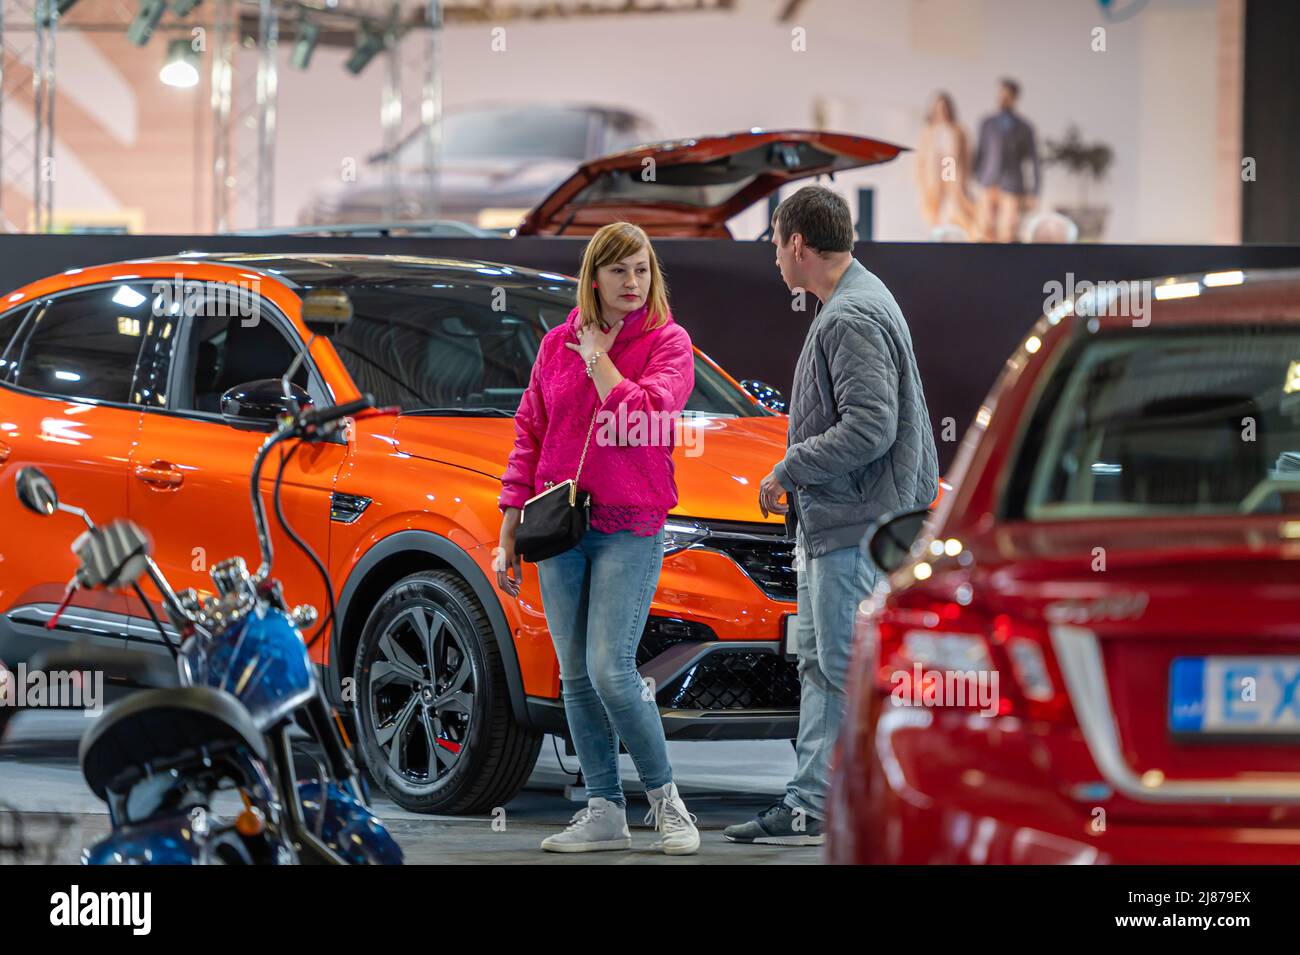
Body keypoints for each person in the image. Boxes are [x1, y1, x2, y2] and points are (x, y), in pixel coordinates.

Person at [723, 185, 938, 846]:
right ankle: (813, 802)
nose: (774, 262)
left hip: (854, 526)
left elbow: (870, 427)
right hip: (849, 523)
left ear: (796, 243)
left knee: (843, 665)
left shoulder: (850, 314)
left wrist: (787, 469)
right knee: (824, 663)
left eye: (774, 247)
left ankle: (851, 804)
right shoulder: (860, 298)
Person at [496, 221, 700, 855]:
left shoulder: (669, 343)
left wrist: (598, 358)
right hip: (561, 527)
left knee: (611, 670)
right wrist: (509, 527)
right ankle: (603, 809)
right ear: (595, 277)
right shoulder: (555, 344)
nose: (632, 282)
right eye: (618, 270)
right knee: (575, 676)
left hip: (630, 528)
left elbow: (643, 415)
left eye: (641, 270)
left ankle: (668, 803)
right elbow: (529, 433)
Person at [972, 78, 1041, 242]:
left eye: (1006, 95)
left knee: (1007, 231)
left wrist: (1034, 192)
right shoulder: (987, 123)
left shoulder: (1025, 128)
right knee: (985, 228)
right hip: (988, 183)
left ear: (1014, 98)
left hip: (1012, 185)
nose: (1001, 98)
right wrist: (976, 179)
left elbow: (1035, 161)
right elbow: (979, 153)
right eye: (1000, 94)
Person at [915, 91, 979, 238]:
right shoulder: (928, 133)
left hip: (951, 171)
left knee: (954, 208)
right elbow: (921, 162)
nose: (942, 113)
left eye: (945, 109)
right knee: (936, 215)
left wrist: (961, 181)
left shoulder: (958, 130)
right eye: (938, 109)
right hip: (934, 177)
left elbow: (966, 157)